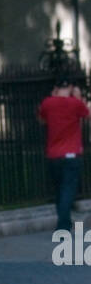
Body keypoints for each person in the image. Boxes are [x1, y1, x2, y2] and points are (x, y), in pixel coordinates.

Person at [38, 79, 91, 231]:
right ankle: (63, 226)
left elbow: (42, 119)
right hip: (71, 153)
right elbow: (87, 114)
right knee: (68, 190)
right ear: (71, 88)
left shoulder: (47, 103)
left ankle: (65, 223)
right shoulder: (75, 104)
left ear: (55, 88)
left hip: (53, 154)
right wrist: (79, 97)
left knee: (59, 190)